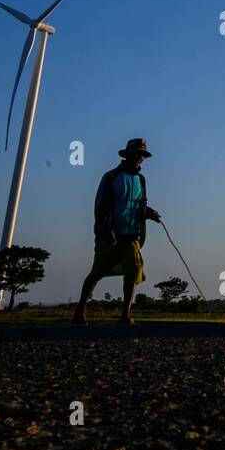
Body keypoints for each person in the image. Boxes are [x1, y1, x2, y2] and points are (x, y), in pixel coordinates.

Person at [74, 138, 160, 325]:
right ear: (128, 154)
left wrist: (149, 213)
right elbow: (101, 207)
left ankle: (125, 314)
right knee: (97, 271)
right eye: (137, 154)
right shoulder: (112, 177)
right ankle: (80, 311)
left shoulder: (141, 180)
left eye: (143, 155)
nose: (140, 158)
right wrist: (107, 231)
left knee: (134, 270)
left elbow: (140, 205)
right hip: (109, 234)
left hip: (131, 234)